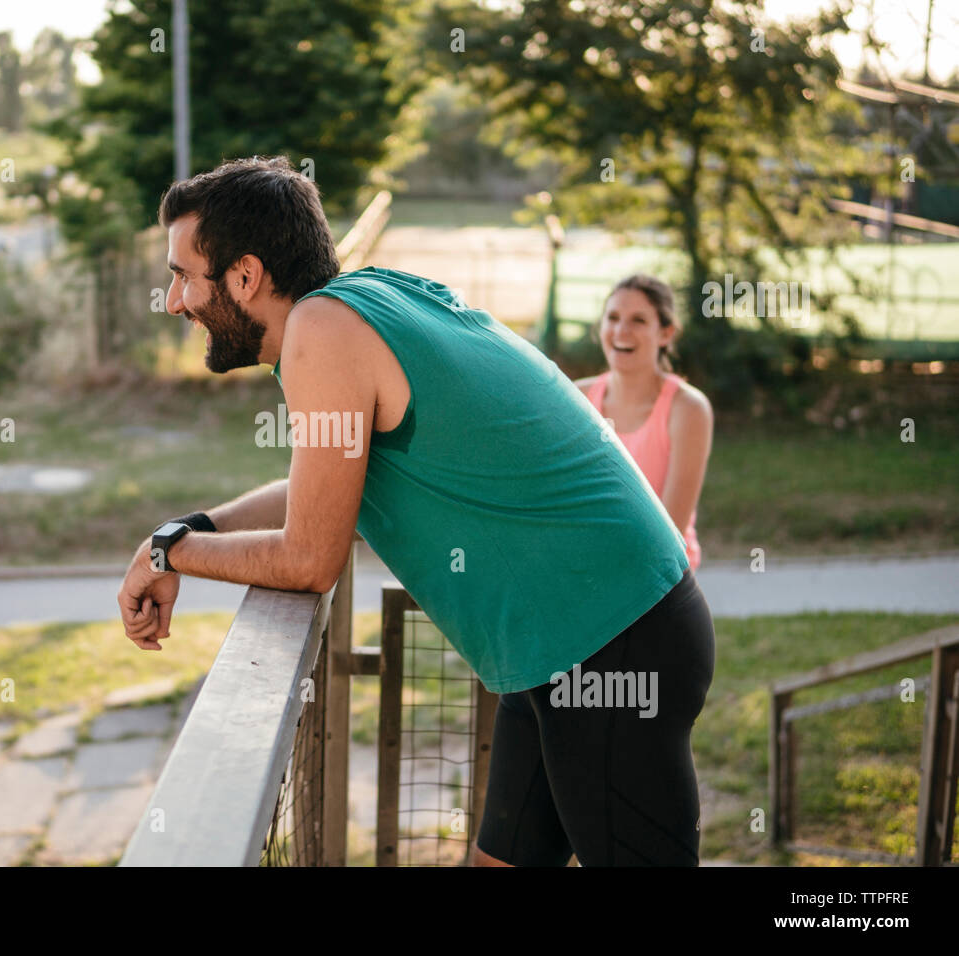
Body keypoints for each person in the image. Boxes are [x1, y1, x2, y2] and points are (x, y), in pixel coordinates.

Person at [116, 157, 715, 866]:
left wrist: (169, 553)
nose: (174, 302)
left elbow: (309, 559)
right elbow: (325, 487)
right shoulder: (366, 299)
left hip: (613, 636)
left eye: (184, 275)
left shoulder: (323, 330)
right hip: (554, 647)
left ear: (245, 277)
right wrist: (192, 530)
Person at [573, 275, 713, 571]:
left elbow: (669, 533)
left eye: (638, 320)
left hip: (660, 580)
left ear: (665, 333)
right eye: (612, 318)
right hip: (585, 573)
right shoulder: (575, 397)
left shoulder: (688, 409)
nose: (622, 330)